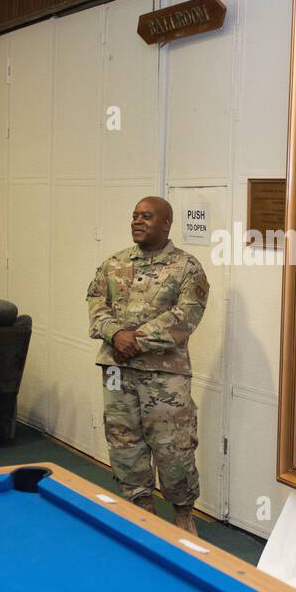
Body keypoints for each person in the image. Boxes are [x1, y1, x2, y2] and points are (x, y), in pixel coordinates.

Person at [86, 196, 209, 535]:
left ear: (166, 223)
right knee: (124, 440)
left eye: (147, 217)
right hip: (116, 371)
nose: (138, 221)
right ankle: (139, 508)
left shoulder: (187, 267)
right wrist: (114, 334)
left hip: (164, 376)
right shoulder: (113, 264)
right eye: (135, 216)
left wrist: (134, 340)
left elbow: (185, 316)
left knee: (174, 447)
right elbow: (96, 304)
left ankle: (183, 512)